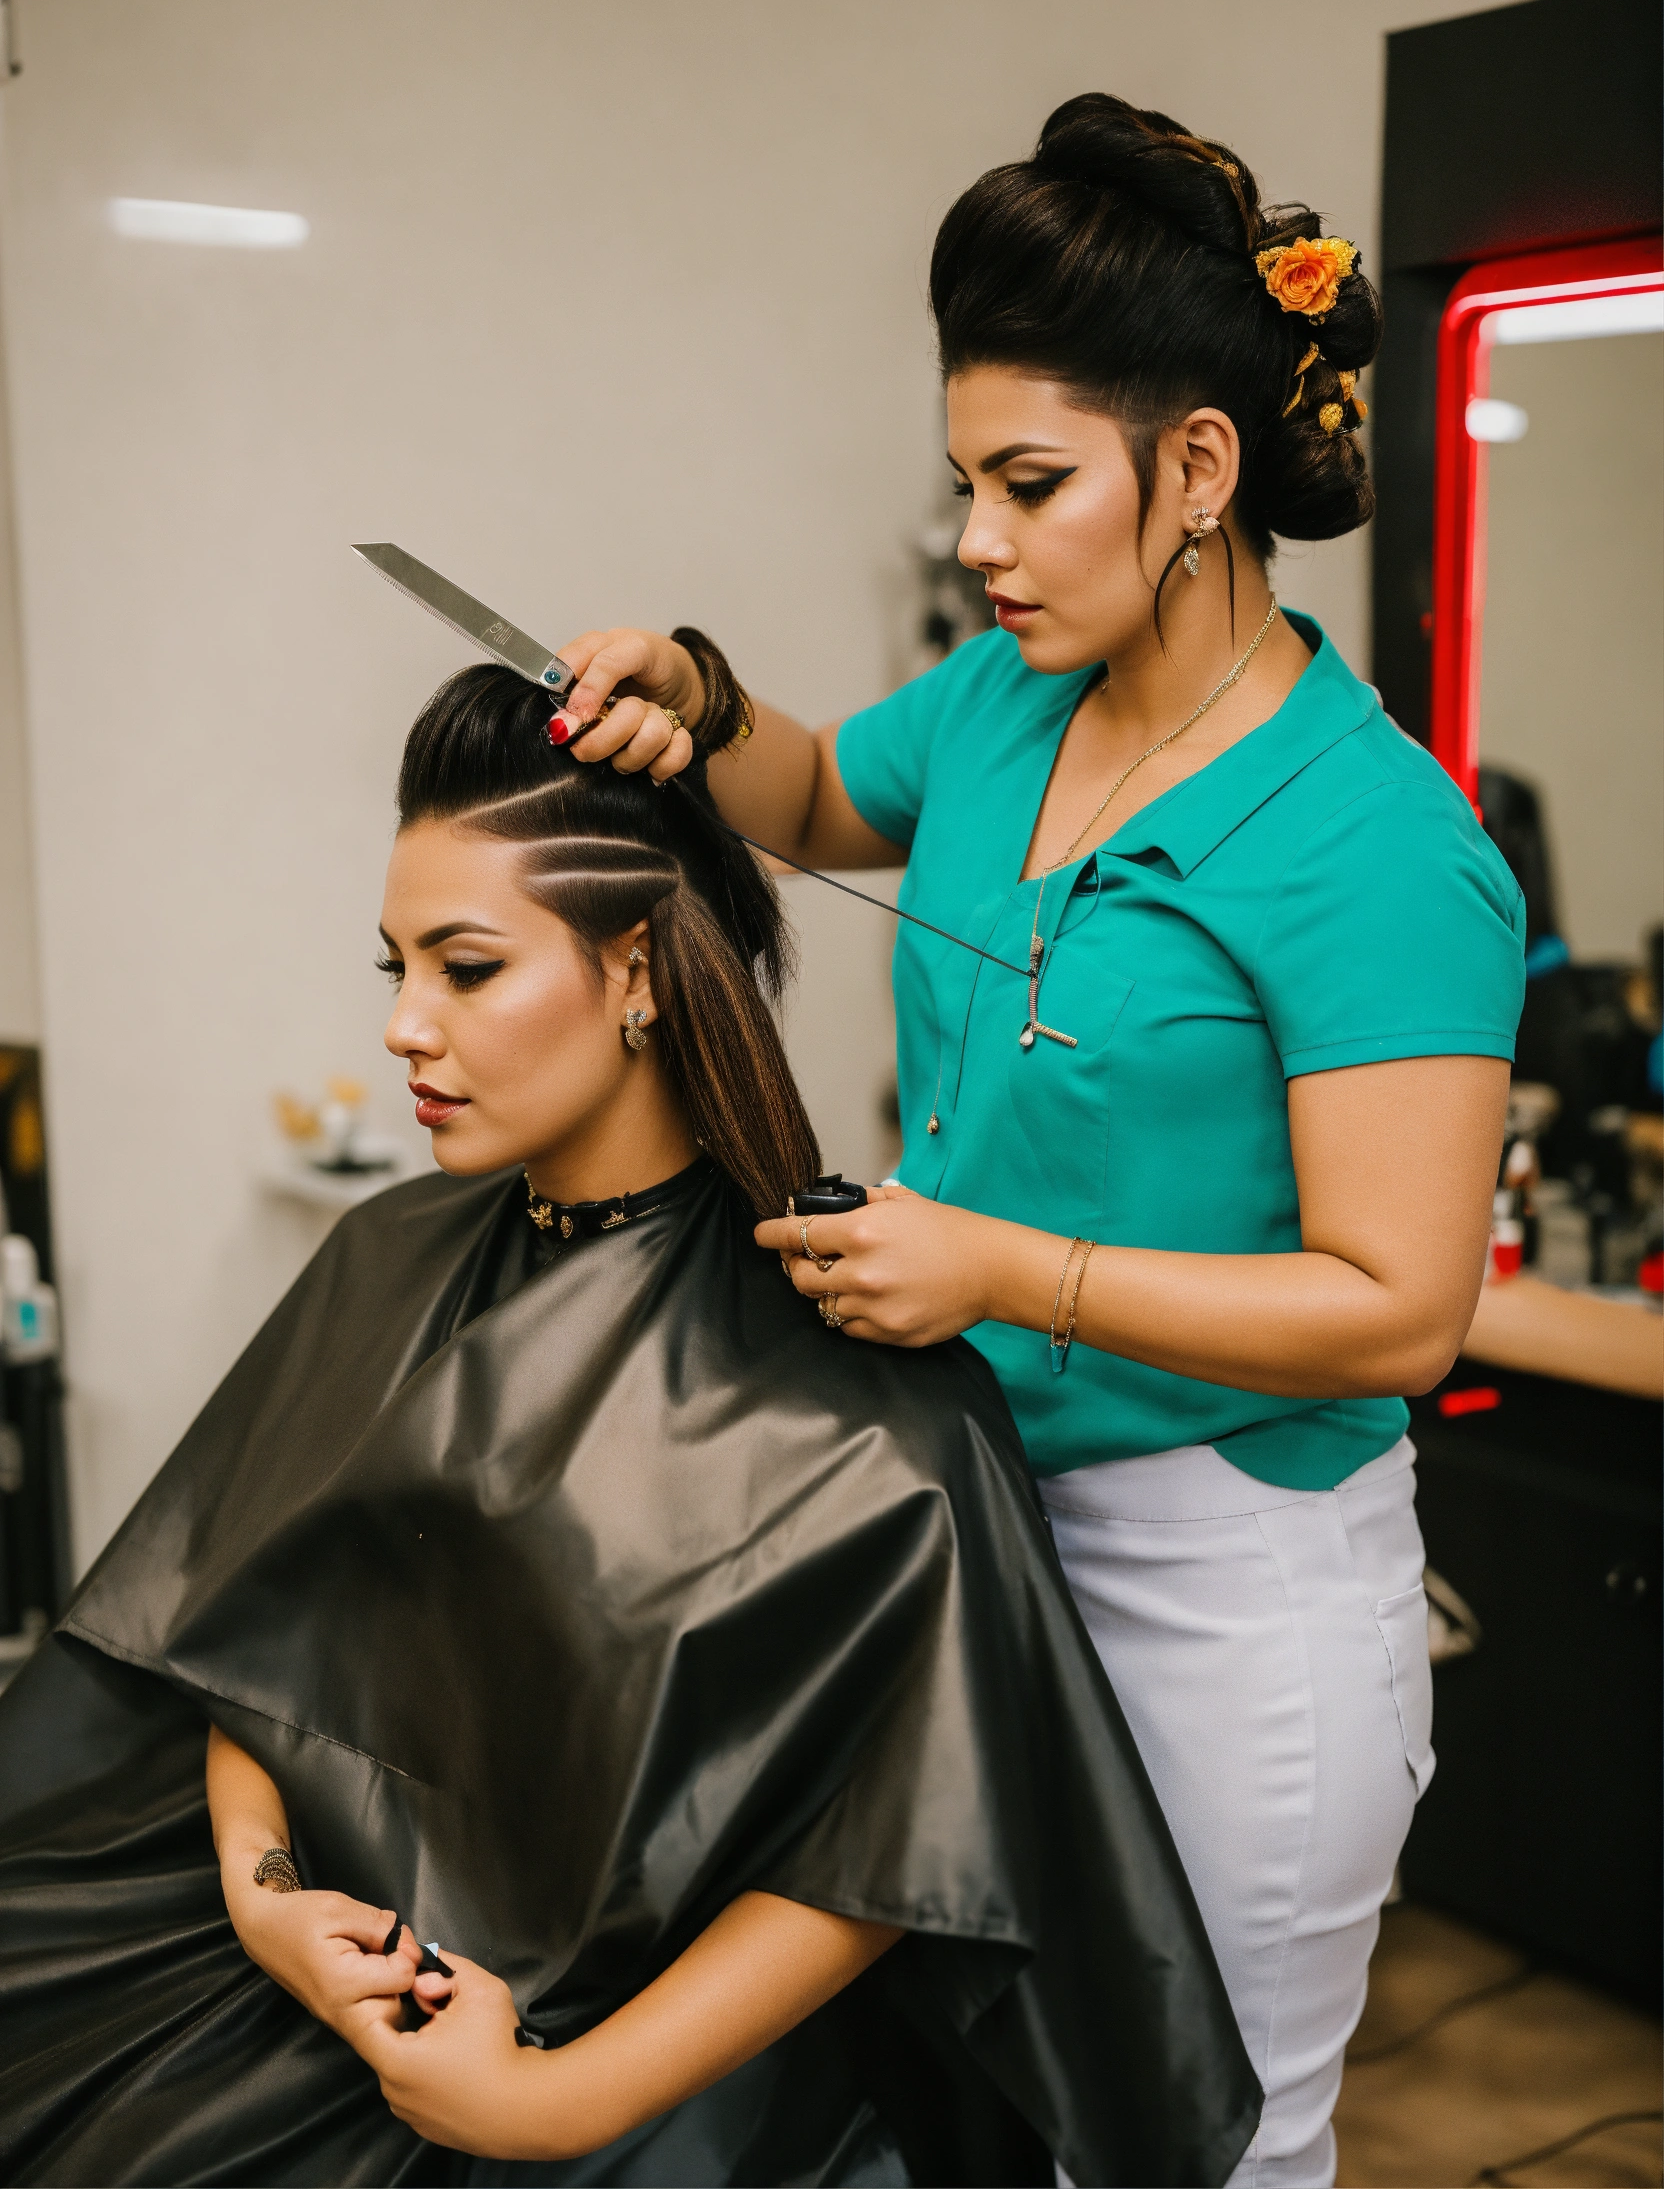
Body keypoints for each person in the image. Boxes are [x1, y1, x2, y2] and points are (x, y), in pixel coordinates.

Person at [532, 95, 1527, 2188]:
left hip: (1229, 1595)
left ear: (1195, 470)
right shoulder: (1003, 704)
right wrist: (699, 702)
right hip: (977, 1539)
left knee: (1203, 2148)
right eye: (962, 481)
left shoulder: (1373, 846)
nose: (977, 538)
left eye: (1028, 484)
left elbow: (1397, 1305)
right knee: (987, 2124)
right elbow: (810, 801)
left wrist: (1000, 1273)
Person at [0, 663, 1259, 2189]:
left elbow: (901, 1852)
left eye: (465, 971)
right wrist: (268, 1900)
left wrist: (555, 2103)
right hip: (332, 1985)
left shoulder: (871, 1415)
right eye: (393, 967)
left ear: (642, 969)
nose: (405, 1026)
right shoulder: (384, 1259)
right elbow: (244, 1634)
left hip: (651, 2078)